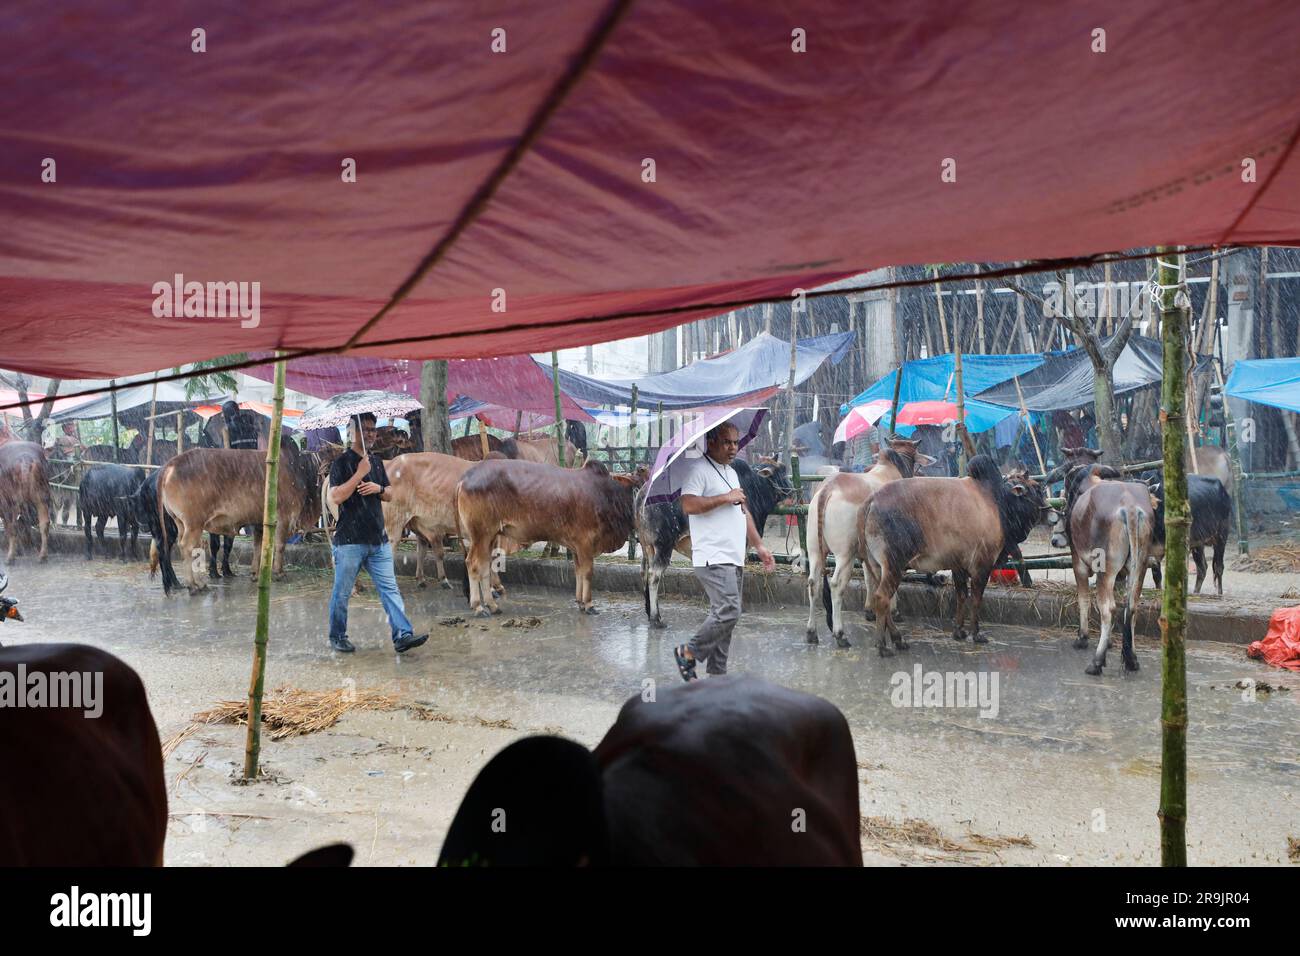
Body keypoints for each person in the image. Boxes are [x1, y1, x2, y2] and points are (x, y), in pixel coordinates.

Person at [672, 421, 775, 681]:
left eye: (735, 442)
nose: (733, 448)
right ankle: (689, 652)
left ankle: (717, 677)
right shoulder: (698, 469)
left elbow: (743, 511)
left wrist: (759, 545)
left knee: (725, 619)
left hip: (733, 556)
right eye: (727, 442)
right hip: (712, 556)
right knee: (729, 609)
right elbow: (688, 505)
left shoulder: (731, 473)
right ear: (712, 442)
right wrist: (724, 498)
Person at [326, 412, 427, 654]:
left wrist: (377, 487)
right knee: (341, 593)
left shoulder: (377, 461)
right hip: (349, 542)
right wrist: (360, 474)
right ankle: (337, 636)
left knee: (390, 590)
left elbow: (391, 494)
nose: (371, 434)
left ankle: (402, 635)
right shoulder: (341, 463)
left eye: (373, 429)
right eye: (366, 429)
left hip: (377, 540)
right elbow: (336, 496)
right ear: (353, 432)